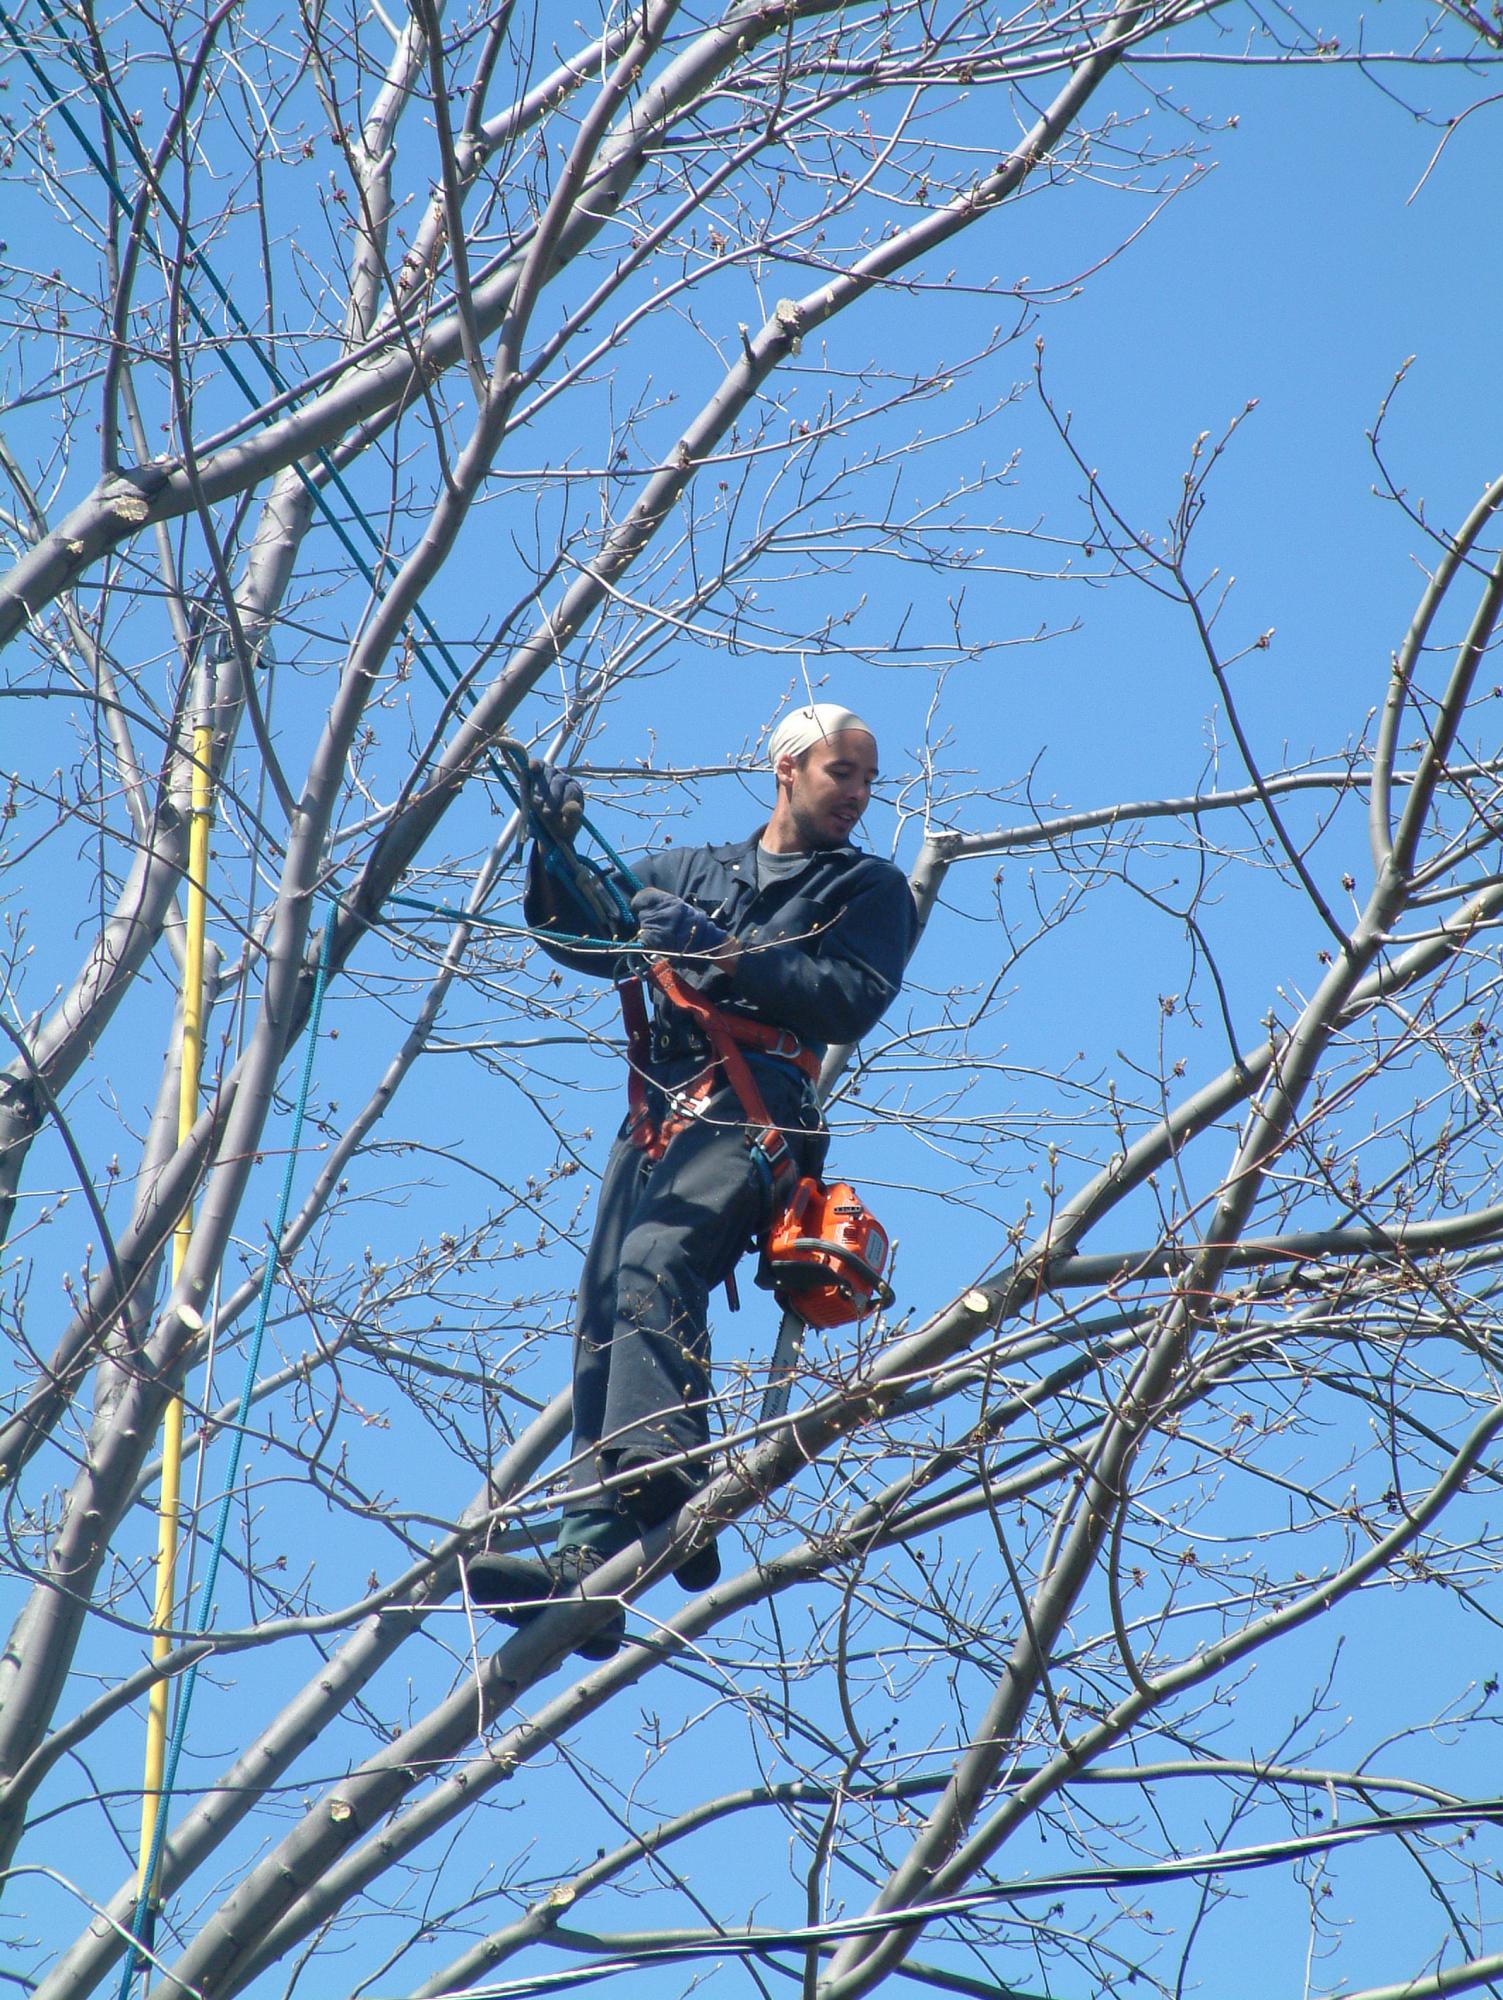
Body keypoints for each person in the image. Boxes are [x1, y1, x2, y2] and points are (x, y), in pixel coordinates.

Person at [467, 702, 916, 1655]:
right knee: (604, 1306)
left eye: (867, 780)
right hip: (661, 1110)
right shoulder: (686, 872)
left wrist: (719, 950)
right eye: (841, 773)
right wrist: (551, 849)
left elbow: (846, 999)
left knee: (653, 1260)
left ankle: (662, 1466)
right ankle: (589, 1567)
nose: (858, 794)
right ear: (787, 769)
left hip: (757, 1105)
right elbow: (589, 934)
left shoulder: (864, 889)